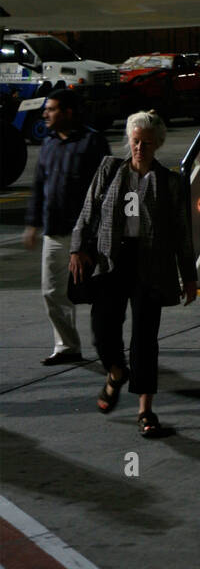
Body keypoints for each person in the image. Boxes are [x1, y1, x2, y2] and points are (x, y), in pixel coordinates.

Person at [69, 110, 197, 436]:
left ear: (157, 146)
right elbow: (88, 210)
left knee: (145, 338)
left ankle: (145, 410)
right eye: (136, 141)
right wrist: (76, 248)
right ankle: (115, 372)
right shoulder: (109, 169)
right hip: (111, 260)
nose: (140, 148)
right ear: (129, 140)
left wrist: (189, 275)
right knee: (102, 328)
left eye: (147, 144)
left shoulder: (169, 183)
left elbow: (183, 233)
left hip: (151, 264)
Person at [23, 89, 110, 366]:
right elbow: (39, 186)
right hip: (55, 231)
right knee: (52, 291)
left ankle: (110, 343)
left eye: (51, 109)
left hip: (85, 235)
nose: (45, 114)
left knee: (96, 292)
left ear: (69, 112)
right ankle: (67, 346)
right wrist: (33, 224)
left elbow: (105, 189)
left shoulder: (92, 142)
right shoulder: (48, 144)